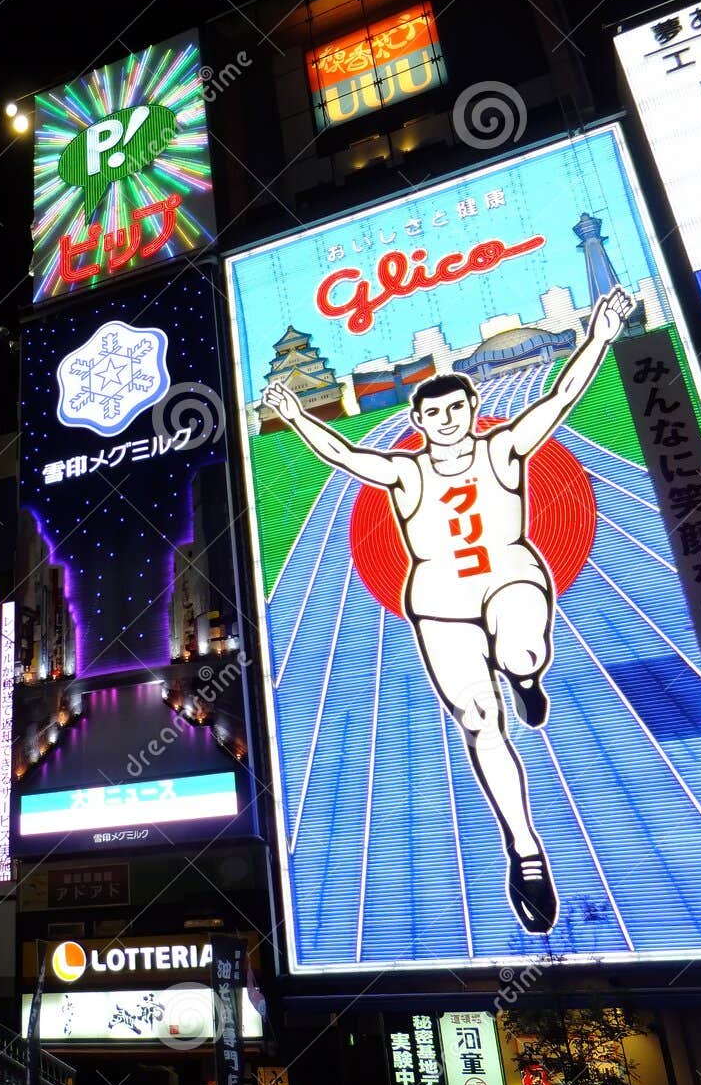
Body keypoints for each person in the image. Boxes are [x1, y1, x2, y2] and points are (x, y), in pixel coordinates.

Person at [262, 286, 633, 934]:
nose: (447, 419)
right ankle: (526, 850)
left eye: (456, 408)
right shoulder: (407, 473)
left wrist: (599, 336)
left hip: (510, 578)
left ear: (470, 410)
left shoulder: (502, 448)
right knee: (480, 721)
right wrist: (295, 417)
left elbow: (560, 398)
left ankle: (525, 675)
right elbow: (345, 455)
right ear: (420, 420)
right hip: (441, 605)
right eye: (434, 413)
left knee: (521, 649)